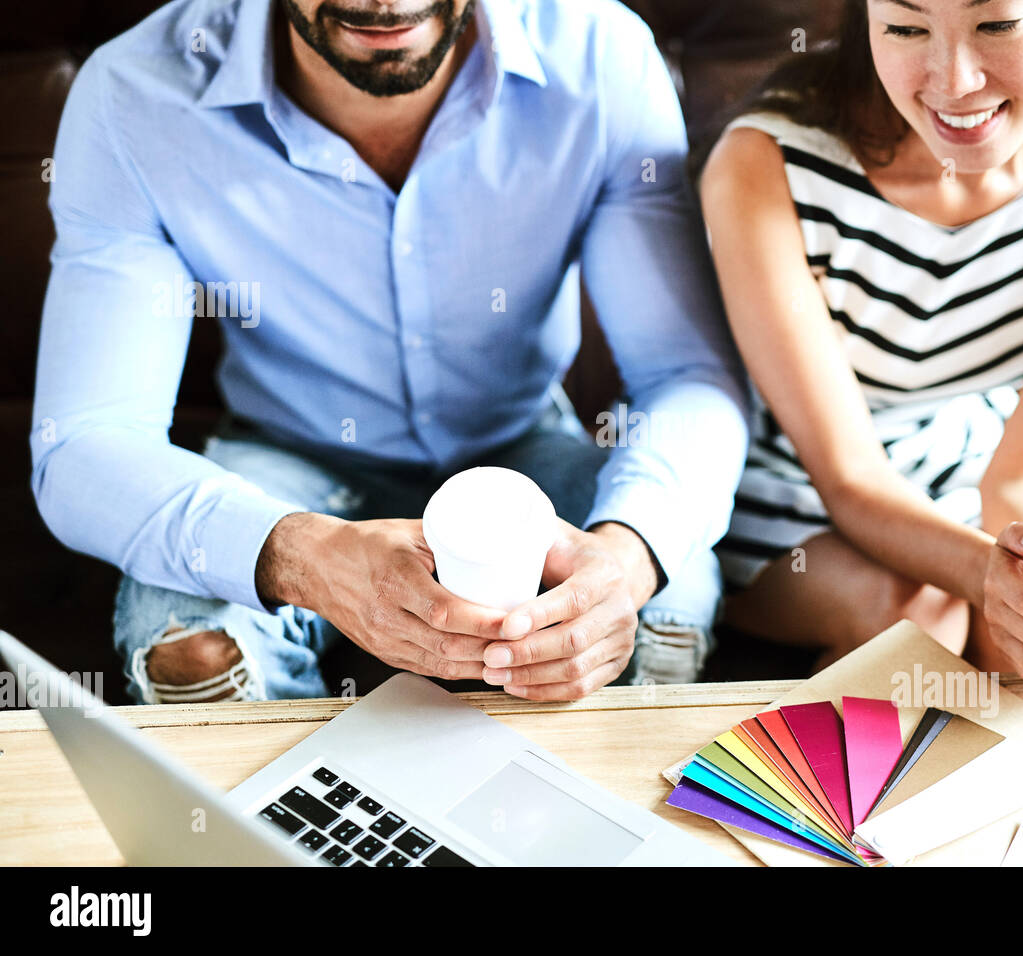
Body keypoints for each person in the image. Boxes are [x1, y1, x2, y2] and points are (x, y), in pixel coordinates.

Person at [30, 0, 749, 703]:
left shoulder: (602, 57)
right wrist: (302, 555)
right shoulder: (133, 93)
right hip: (286, 459)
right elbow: (86, 441)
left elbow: (685, 375)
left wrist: (623, 560)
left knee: (668, 604)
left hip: (523, 447)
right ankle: (303, 824)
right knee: (191, 653)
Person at [702, 0, 1023, 690]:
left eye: (996, 25)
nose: (955, 81)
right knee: (917, 624)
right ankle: (760, 799)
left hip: (967, 453)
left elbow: (1022, 475)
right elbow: (850, 480)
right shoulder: (765, 165)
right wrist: (987, 574)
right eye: (905, 29)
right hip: (788, 472)